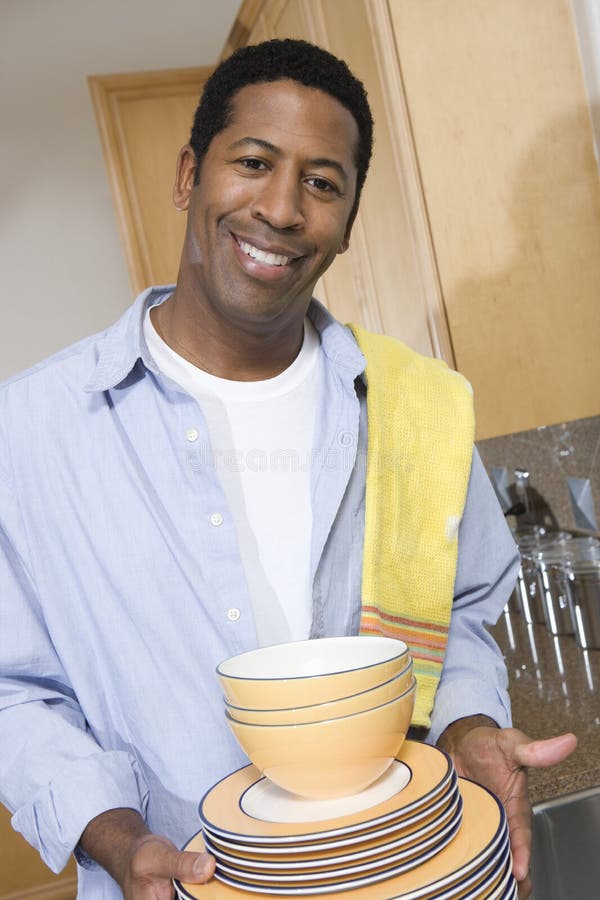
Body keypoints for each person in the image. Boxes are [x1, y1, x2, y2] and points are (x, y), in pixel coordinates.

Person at [0, 39, 575, 900]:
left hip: (400, 868)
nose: (280, 208)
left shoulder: (418, 407)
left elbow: (458, 617)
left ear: (347, 222)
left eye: (322, 182)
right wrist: (117, 840)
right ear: (190, 176)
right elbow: (13, 692)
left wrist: (469, 724)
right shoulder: (30, 432)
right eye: (254, 162)